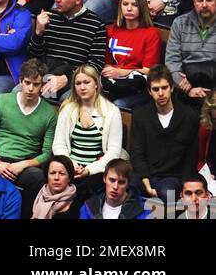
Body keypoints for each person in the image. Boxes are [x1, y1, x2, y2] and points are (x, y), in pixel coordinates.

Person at [0, 58, 58, 206]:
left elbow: (47, 153)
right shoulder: (1, 101)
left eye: (36, 85)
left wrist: (23, 165)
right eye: (27, 83)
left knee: (39, 178)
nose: (30, 89)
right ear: (21, 81)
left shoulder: (50, 113)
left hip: (25, 163)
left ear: (42, 86)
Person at [27, 0, 109, 101]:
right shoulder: (49, 18)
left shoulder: (96, 25)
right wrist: (38, 33)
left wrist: (67, 78)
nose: (56, 0)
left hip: (75, 81)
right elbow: (34, 58)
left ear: (78, 0)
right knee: (18, 93)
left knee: (66, 102)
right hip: (45, 75)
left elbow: (95, 65)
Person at [51, 63, 124, 197]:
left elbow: (113, 152)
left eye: (86, 82)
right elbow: (58, 145)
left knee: (86, 189)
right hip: (70, 167)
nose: (82, 87)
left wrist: (88, 170)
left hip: (96, 171)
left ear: (96, 84)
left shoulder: (112, 112)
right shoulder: (67, 109)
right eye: (78, 83)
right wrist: (72, 166)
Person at [130, 63, 198, 201]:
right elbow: (137, 153)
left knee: (168, 193)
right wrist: (147, 184)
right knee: (123, 187)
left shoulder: (189, 116)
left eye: (164, 88)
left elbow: (190, 157)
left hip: (173, 178)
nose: (160, 93)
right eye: (155, 89)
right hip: (145, 176)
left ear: (172, 87)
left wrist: (185, 185)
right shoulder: (140, 115)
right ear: (149, 91)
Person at [165, 0, 216, 98]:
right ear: (193, 2)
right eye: (200, 0)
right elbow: (172, 61)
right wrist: (186, 87)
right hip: (186, 87)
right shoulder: (179, 23)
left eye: (209, 0)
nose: (204, 5)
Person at [79, 156, 150, 219]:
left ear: (128, 183)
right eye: (112, 180)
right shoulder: (89, 207)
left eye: (121, 182)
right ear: (104, 178)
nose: (115, 187)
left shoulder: (142, 209)